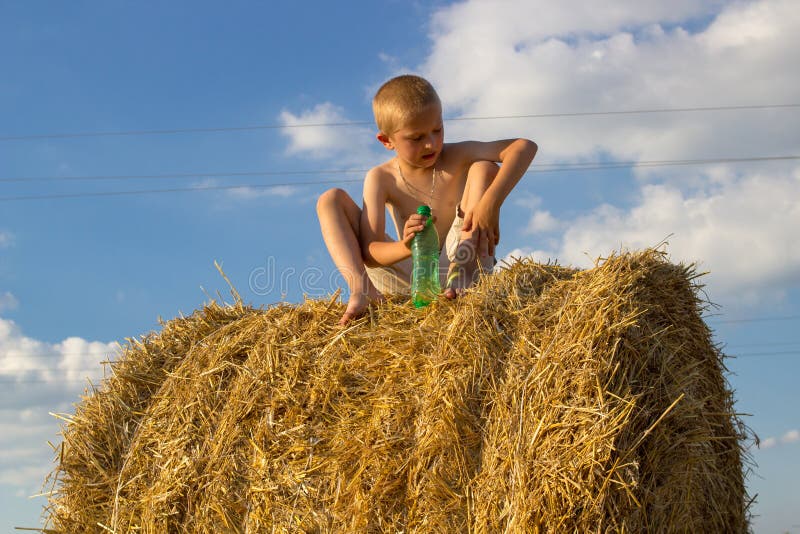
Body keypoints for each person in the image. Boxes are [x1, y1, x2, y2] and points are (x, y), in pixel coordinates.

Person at [316, 74, 537, 326]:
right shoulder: (381, 178)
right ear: (387, 140)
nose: (431, 144)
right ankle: (363, 290)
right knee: (330, 199)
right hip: (411, 275)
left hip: (462, 263)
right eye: (417, 138)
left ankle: (461, 275)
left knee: (484, 168)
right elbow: (371, 252)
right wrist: (406, 246)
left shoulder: (457, 155)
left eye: (437, 130)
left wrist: (491, 203)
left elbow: (524, 147)